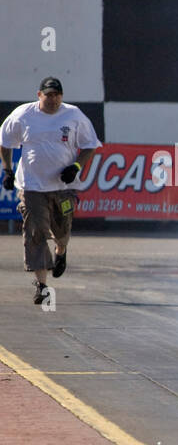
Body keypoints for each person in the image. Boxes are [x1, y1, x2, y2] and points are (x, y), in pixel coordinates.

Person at [1, 77, 101, 306]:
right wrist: (7, 170)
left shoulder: (74, 115)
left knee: (62, 230)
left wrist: (76, 166)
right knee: (35, 231)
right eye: (49, 95)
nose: (53, 99)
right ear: (39, 95)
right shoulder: (23, 115)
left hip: (63, 187)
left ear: (62, 96)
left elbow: (90, 145)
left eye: (57, 94)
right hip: (32, 186)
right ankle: (42, 285)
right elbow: (5, 141)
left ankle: (61, 250)